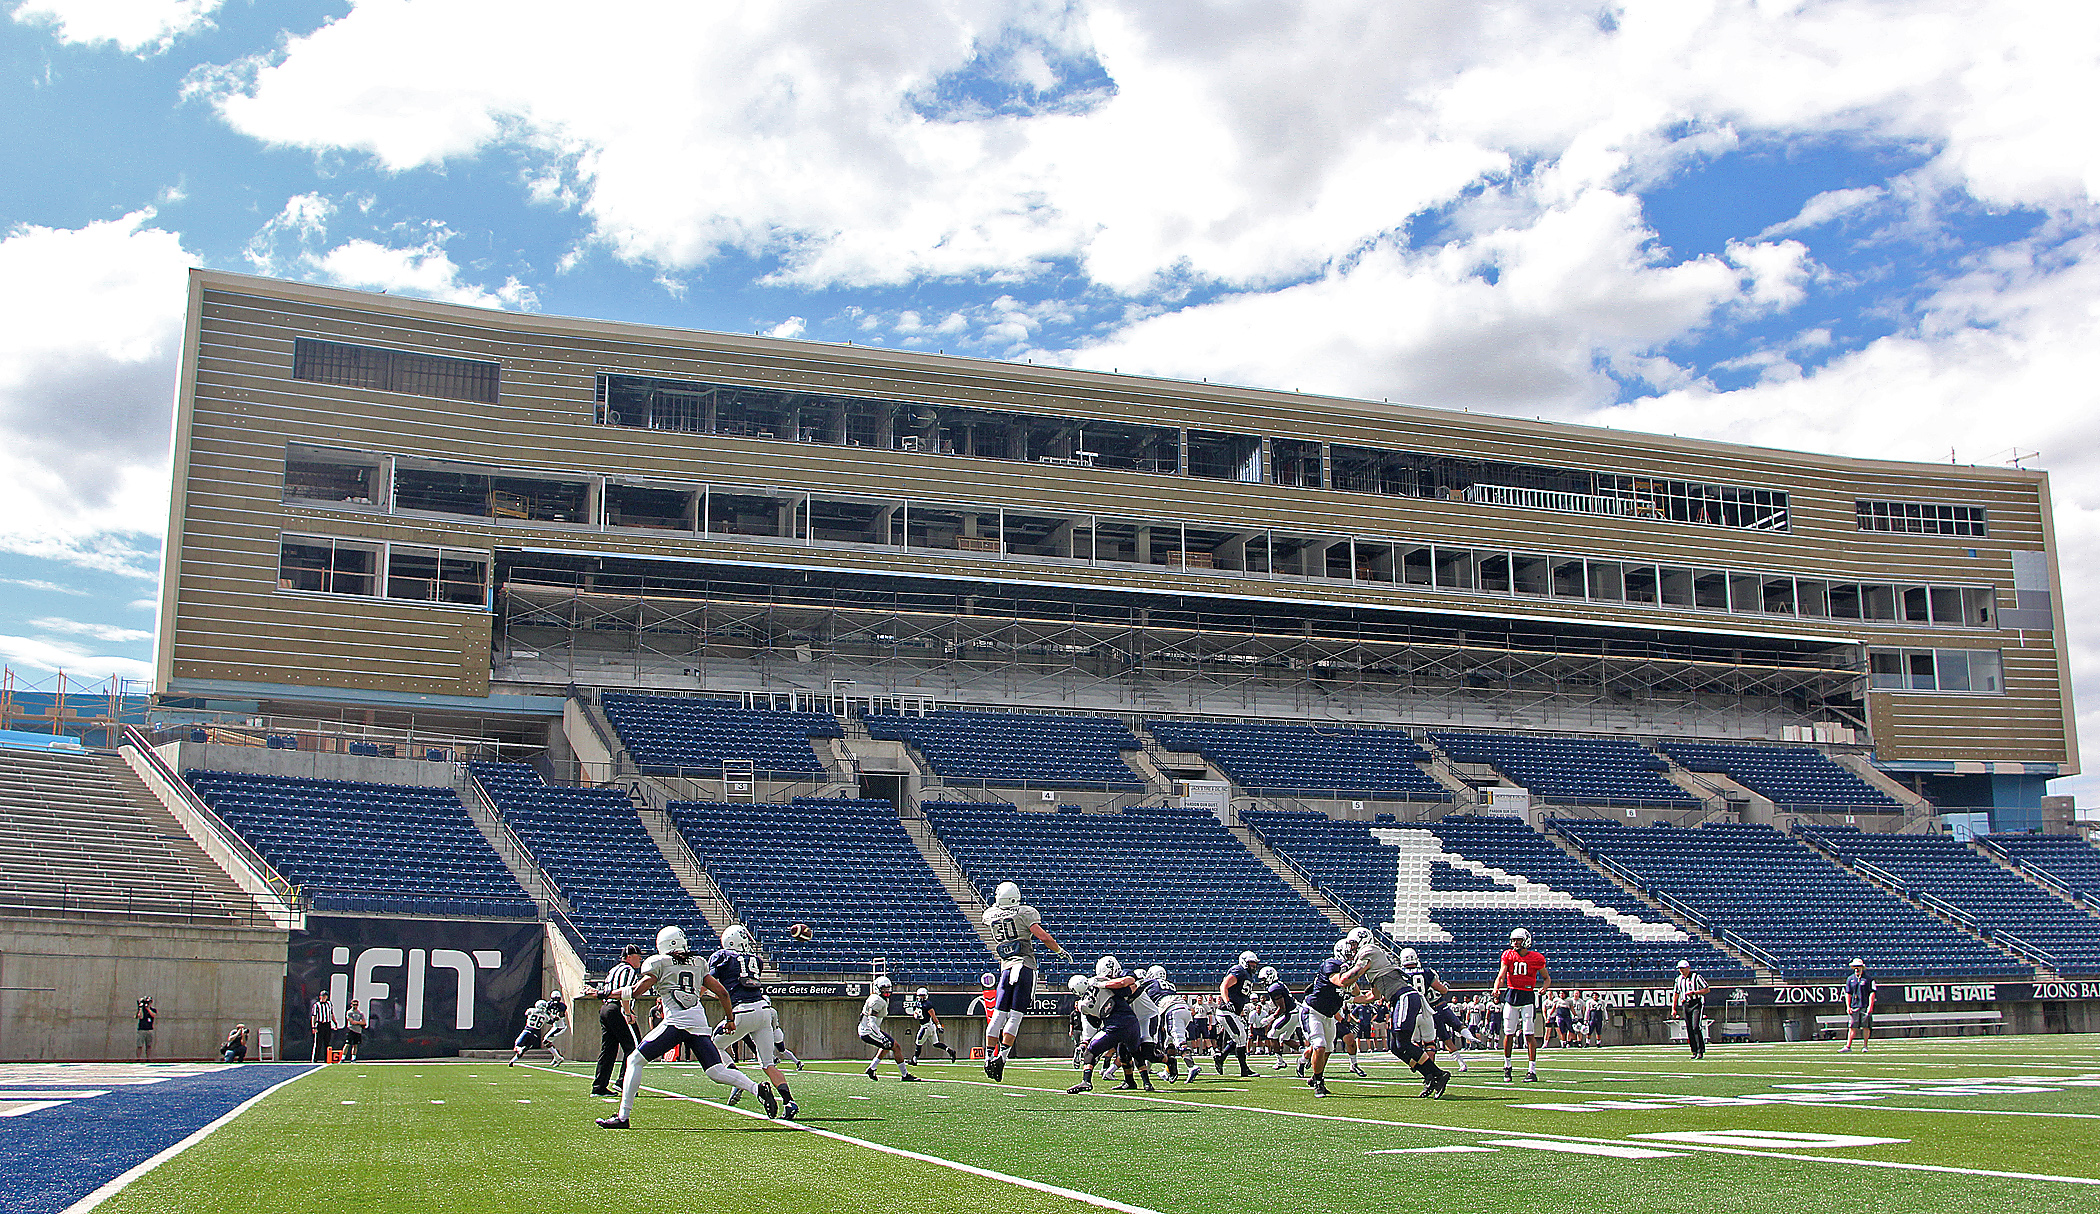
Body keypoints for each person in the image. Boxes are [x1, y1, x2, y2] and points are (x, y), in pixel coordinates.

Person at [596, 925, 774, 1129]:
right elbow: (723, 993)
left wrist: (605, 993)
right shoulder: (698, 963)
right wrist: (730, 1019)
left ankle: (623, 1116)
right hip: (699, 1021)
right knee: (715, 1071)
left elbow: (636, 992)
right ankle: (756, 1089)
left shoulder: (659, 962)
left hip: (677, 1021)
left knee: (634, 1060)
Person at [981, 881, 1072, 1082]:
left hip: (1005, 969)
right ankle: (1002, 1058)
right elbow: (1043, 937)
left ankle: (988, 1057)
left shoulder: (990, 915)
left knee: (997, 1016)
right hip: (1024, 967)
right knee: (1015, 1016)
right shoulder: (1024, 912)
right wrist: (1059, 951)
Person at [708, 925, 800, 1119]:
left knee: (713, 1045)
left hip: (741, 1011)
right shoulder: (755, 960)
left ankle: (737, 1081)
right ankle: (789, 1102)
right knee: (768, 1064)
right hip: (763, 1011)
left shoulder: (722, 957)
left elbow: (712, 983)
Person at [1067, 957, 1154, 1094]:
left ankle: (1086, 1080)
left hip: (1114, 1026)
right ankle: (1146, 1083)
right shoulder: (1102, 982)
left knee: (1091, 1051)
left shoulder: (1083, 1006)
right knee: (1135, 1052)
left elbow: (1094, 1023)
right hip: (1132, 1022)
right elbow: (1125, 990)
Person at [1302, 938, 1371, 1097]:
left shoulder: (1347, 970)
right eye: (1350, 951)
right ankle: (1319, 1082)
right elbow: (1340, 981)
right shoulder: (1331, 964)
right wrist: (1359, 969)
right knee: (1319, 1045)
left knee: (1327, 1050)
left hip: (1329, 1016)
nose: (1352, 954)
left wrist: (1375, 993)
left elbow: (1356, 993)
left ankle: (1316, 1075)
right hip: (1313, 1011)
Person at [1400, 947, 1473, 1072]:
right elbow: (1443, 990)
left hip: (1410, 1010)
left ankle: (1416, 1063)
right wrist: (1444, 987)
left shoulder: (1399, 974)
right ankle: (1431, 1069)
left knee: (1410, 1042)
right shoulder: (1427, 972)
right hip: (1427, 1010)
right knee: (1430, 1042)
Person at [1493, 926, 1549, 1083]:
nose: (1515, 943)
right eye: (1514, 940)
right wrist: (1496, 987)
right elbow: (1501, 974)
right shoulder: (1508, 955)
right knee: (1509, 1033)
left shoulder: (1536, 958)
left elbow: (1546, 978)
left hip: (1527, 996)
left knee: (1528, 1033)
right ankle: (1507, 1066)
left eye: (1518, 940)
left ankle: (1531, 1070)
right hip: (1512, 994)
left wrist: (1544, 988)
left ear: (1526, 941)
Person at [588, 944, 646, 1096]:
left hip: (606, 1009)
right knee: (634, 1047)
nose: (640, 958)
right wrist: (627, 1012)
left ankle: (599, 1087)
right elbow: (625, 993)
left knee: (608, 1049)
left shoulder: (614, 970)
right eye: (637, 955)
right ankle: (623, 1082)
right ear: (628, 957)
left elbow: (606, 991)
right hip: (619, 1008)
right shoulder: (628, 970)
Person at [858, 976, 920, 1081]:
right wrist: (882, 1037)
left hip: (869, 1029)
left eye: (888, 988)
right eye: (884, 988)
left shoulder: (879, 998)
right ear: (877, 988)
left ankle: (872, 1068)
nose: (886, 991)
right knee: (896, 1047)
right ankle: (905, 1075)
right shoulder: (877, 1000)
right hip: (868, 1031)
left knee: (887, 1046)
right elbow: (871, 1023)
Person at [1214, 951, 1261, 1078]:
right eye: (1251, 963)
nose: (1253, 966)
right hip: (1225, 1011)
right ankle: (1244, 1070)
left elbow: (1240, 996)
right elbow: (1224, 985)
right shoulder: (1238, 970)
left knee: (1239, 1038)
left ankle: (1221, 1057)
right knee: (1241, 1037)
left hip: (1233, 1012)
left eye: (1254, 964)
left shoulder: (1247, 975)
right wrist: (1226, 1000)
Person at [909, 987, 958, 1063]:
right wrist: (916, 1016)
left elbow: (933, 1016)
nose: (921, 997)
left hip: (926, 1026)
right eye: (920, 996)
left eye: (923, 996)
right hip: (929, 1026)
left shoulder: (927, 1005)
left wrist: (939, 1025)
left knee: (918, 1043)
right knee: (936, 1044)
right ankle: (950, 1051)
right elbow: (915, 1013)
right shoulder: (917, 1004)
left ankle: (914, 1060)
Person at [1670, 962, 1709, 1058]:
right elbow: (1676, 994)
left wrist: (1695, 992)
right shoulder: (1678, 979)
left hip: (1696, 1003)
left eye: (1683, 968)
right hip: (1686, 1004)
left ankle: (1700, 1050)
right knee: (1689, 1028)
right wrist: (1673, 1008)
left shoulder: (1696, 977)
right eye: (1680, 969)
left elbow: (1707, 989)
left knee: (1695, 1026)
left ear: (1688, 968)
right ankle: (1694, 1051)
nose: (1681, 971)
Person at [1841, 958, 1876, 1053]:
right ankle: (1848, 1046)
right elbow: (1848, 993)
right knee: (1852, 1026)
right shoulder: (1850, 979)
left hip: (1864, 1005)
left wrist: (1870, 1006)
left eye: (1858, 967)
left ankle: (1865, 1045)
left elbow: (1872, 993)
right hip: (1854, 1005)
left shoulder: (1868, 979)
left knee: (1866, 1026)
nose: (1857, 969)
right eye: (1855, 967)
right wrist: (1848, 1006)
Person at [309, 989, 336, 1063]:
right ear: (320, 997)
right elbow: (314, 1016)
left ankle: (327, 1059)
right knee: (318, 1043)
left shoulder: (329, 1004)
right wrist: (313, 1026)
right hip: (320, 1024)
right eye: (323, 996)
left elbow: (331, 1014)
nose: (324, 998)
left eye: (325, 996)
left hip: (327, 1024)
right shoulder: (316, 1005)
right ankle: (315, 1059)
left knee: (327, 1042)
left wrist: (335, 1022)